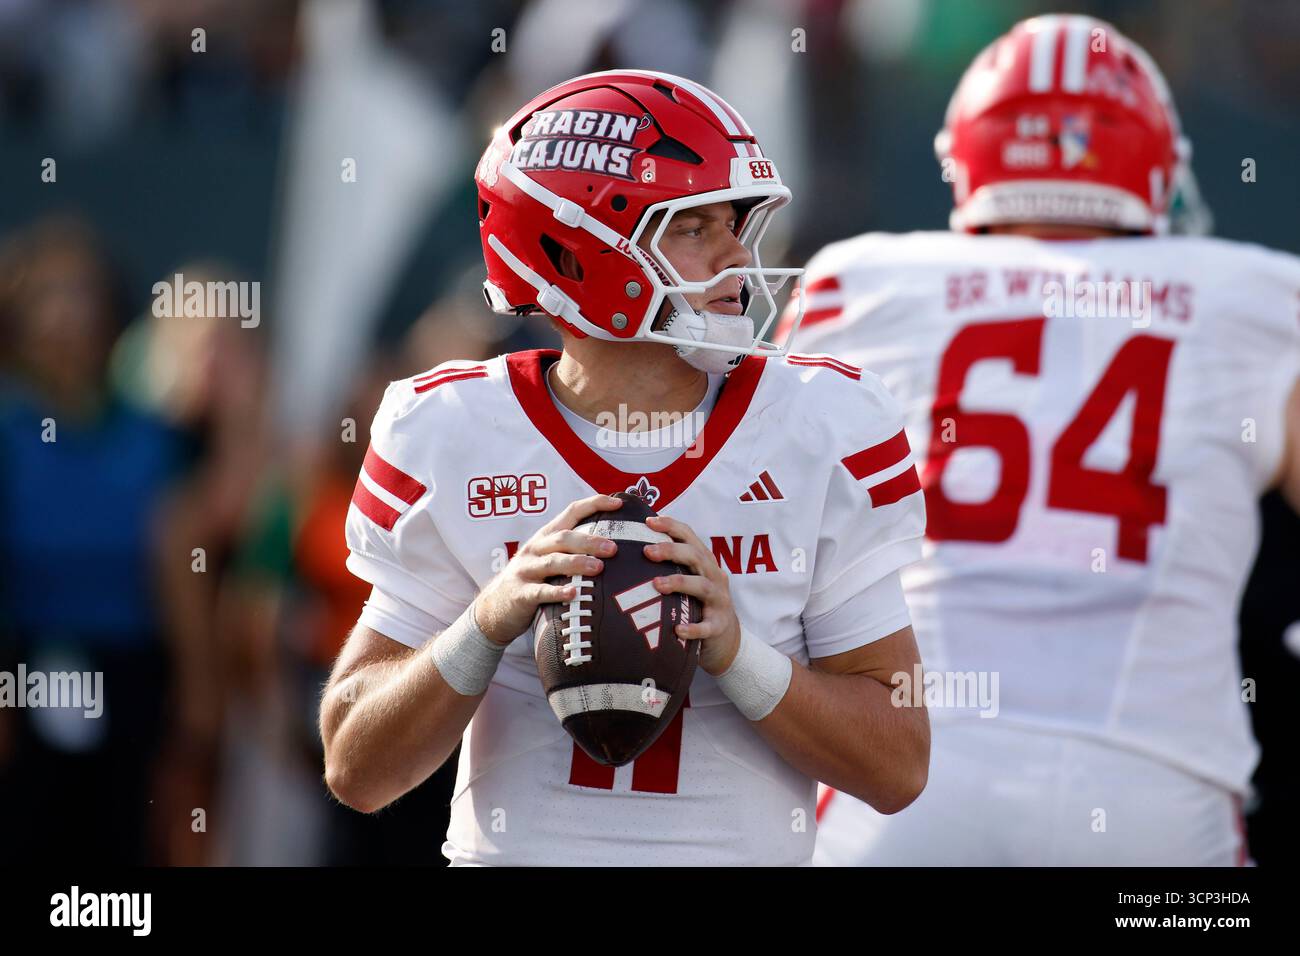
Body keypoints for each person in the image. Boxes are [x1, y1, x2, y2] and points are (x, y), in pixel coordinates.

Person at [319, 70, 929, 866]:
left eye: (737, 224)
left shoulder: (817, 425)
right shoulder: (454, 430)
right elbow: (357, 769)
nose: (738, 257)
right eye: (695, 226)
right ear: (581, 253)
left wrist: (739, 657)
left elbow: (898, 764)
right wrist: (485, 622)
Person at [793, 15, 1300, 865]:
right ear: (1154, 161)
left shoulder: (862, 279)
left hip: (907, 777)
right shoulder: (1254, 294)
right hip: (1154, 783)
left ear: (968, 157)